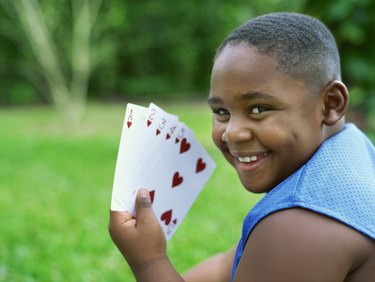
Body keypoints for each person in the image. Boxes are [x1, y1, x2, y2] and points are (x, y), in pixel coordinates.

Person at [109, 12, 375, 281]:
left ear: (331, 103)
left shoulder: (298, 224)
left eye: (258, 109)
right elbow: (227, 267)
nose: (232, 133)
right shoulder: (352, 151)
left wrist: (149, 261)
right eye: (221, 111)